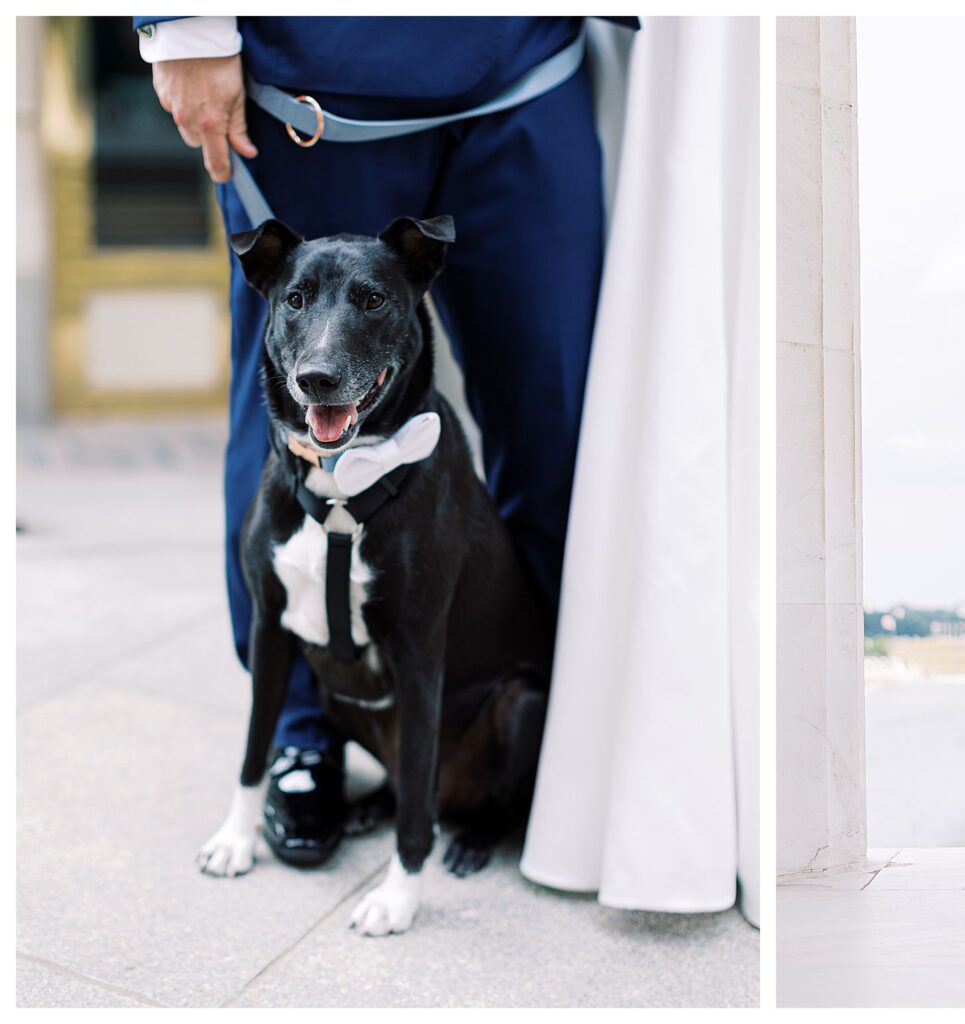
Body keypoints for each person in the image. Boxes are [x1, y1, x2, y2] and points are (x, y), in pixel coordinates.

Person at [138, 16, 614, 865]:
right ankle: (302, 735)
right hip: (317, 80)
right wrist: (179, 23)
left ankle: (533, 730)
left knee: (556, 420)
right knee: (288, 427)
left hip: (528, 67)